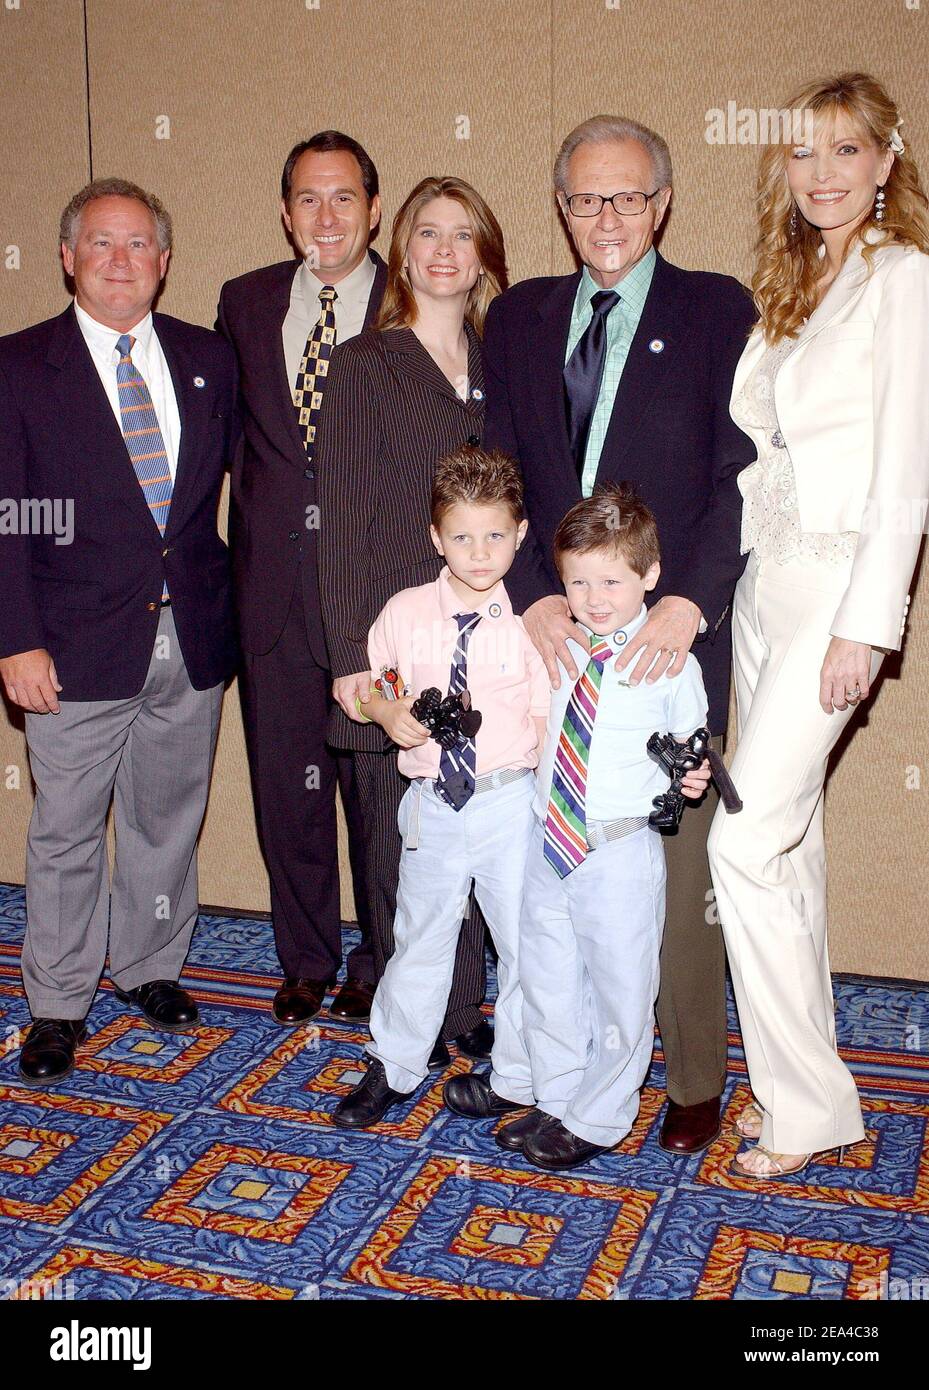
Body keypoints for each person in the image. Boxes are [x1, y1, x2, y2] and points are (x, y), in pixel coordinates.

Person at [482, 115, 756, 1153]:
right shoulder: (516, 317)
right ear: (560, 207)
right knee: (556, 869)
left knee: (674, 871)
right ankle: (559, 1067)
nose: (608, 218)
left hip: (667, 639)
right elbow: (498, 468)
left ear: (664, 201)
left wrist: (689, 598)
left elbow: (743, 473)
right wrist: (528, 589)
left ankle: (691, 1074)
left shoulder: (713, 309)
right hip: (556, 637)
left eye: (629, 197)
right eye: (586, 198)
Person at [708, 72, 929, 1178]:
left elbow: (905, 469)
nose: (824, 175)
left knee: (738, 840)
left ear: (886, 163)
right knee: (785, 849)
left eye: (847, 153)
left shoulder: (902, 281)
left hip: (835, 594)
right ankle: (805, 1089)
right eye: (803, 154)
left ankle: (801, 1106)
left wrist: (869, 623)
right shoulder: (795, 283)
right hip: (766, 591)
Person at [0, 178, 239, 1085]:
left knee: (166, 818)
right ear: (67, 257)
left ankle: (148, 967)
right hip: (69, 647)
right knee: (65, 828)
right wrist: (14, 639)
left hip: (191, 636)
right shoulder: (19, 367)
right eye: (100, 244)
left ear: (164, 262)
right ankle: (57, 1003)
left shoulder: (207, 359)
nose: (120, 261)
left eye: (139, 245)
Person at [315, 176, 509, 1064]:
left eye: (462, 235)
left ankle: (466, 1008)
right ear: (402, 250)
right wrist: (355, 661)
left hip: (486, 643)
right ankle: (416, 1015)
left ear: (484, 256)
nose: (442, 250)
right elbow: (339, 524)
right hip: (395, 650)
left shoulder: (498, 364)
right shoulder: (365, 364)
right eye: (425, 232)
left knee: (473, 833)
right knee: (401, 851)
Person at [216, 132, 385, 1026]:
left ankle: (379, 958)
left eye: (344, 198)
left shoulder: (413, 295)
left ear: (373, 208)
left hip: (376, 599)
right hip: (274, 596)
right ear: (286, 215)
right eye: (309, 201)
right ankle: (306, 960)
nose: (327, 217)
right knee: (289, 789)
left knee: (378, 797)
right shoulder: (242, 304)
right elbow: (231, 444)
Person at [332, 447, 549, 1128]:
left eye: (494, 535)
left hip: (510, 801)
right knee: (418, 934)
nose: (478, 553)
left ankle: (517, 1073)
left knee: (523, 943)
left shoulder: (533, 621)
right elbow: (375, 684)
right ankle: (395, 1063)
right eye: (460, 536)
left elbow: (548, 721)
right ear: (435, 537)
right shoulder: (405, 611)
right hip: (432, 804)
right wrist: (386, 711)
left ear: (519, 533)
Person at [496, 485, 710, 1169]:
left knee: (621, 987)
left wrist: (694, 772)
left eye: (611, 580)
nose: (592, 597)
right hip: (546, 841)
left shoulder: (670, 662)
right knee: (546, 976)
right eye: (577, 580)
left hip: (617, 846)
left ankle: (602, 1114)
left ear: (648, 577)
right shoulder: (559, 645)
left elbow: (691, 741)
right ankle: (558, 1097)